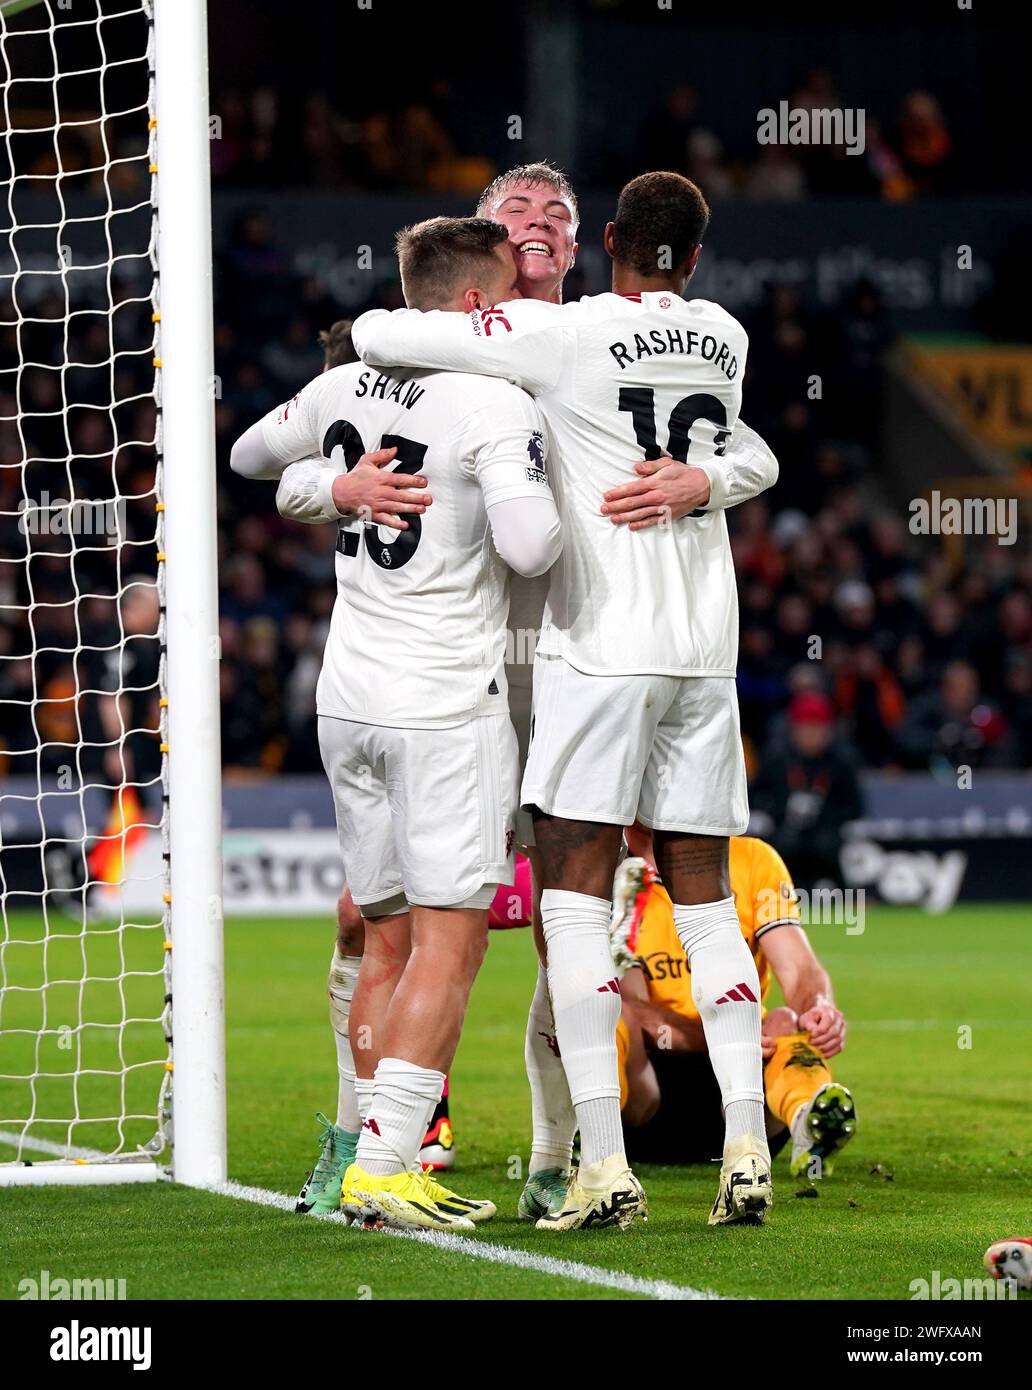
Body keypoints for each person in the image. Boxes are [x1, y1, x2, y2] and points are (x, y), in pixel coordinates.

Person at [353, 171, 780, 1229]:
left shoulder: (563, 337)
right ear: (699, 255)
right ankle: (742, 1146)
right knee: (705, 899)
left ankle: (591, 1160)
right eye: (519, 215)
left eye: (558, 216)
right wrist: (707, 479)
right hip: (696, 656)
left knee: (572, 905)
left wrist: (416, 315)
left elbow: (382, 336)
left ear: (604, 241)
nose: (537, 229)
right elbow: (750, 447)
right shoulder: (723, 335)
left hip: (591, 648)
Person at [230, 216, 562, 1232]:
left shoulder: (342, 385)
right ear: (471, 306)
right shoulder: (492, 400)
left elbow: (248, 452)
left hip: (347, 703)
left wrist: (335, 487)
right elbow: (532, 545)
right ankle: (387, 1164)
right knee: (451, 946)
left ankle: (368, 1163)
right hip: (442, 708)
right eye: (501, 296)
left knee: (385, 937)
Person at [609, 840, 855, 1180]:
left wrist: (819, 1008)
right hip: (647, 1101)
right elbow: (629, 1005)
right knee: (609, 1015)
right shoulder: (617, 874)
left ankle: (806, 1120)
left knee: (786, 1021)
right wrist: (728, 1033)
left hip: (745, 1093)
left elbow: (798, 968)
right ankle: (593, 1142)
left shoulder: (752, 858)